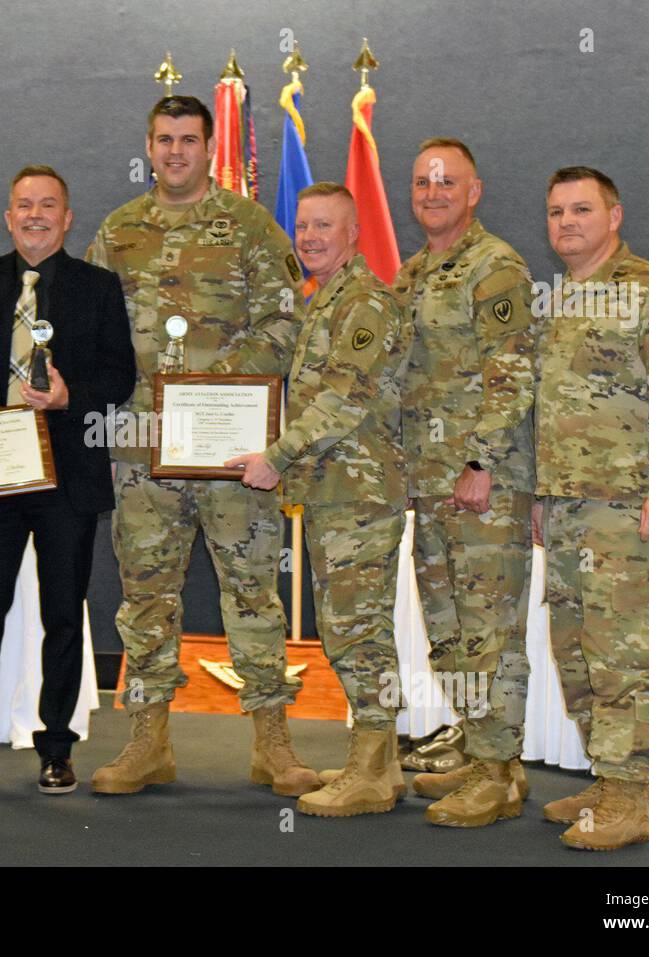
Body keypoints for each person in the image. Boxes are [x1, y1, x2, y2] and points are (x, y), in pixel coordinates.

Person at [86, 95, 315, 796]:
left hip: (228, 447)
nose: (175, 151)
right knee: (145, 594)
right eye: (164, 139)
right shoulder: (118, 232)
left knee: (251, 592)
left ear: (209, 145)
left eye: (189, 139)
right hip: (143, 450)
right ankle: (148, 739)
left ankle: (273, 741)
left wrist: (210, 385)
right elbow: (92, 333)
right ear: (149, 146)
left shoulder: (248, 226)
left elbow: (285, 322)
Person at [0, 165, 136, 797]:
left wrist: (69, 398)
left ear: (68, 219)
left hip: (66, 478)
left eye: (48, 206)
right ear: (7, 218)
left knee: (64, 614)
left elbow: (119, 376)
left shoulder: (97, 287)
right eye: (23, 206)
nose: (35, 215)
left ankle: (57, 746)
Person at [535, 166, 649, 850]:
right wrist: (541, 496)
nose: (567, 222)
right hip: (567, 510)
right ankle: (610, 777)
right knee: (578, 647)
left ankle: (630, 792)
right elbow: (549, 414)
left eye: (582, 209)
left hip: (626, 512)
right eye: (556, 212)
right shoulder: (560, 299)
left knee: (627, 650)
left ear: (614, 215)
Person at [227, 183, 411, 816]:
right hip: (335, 493)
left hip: (358, 496)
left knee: (359, 634)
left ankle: (372, 769)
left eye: (324, 226)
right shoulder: (325, 300)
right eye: (302, 226)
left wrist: (275, 458)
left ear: (354, 233)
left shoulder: (365, 303)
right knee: (350, 631)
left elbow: (342, 399)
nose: (308, 237)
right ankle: (376, 762)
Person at [391, 138, 536, 826]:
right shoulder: (414, 272)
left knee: (490, 634)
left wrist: (483, 461)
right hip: (428, 485)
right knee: (450, 634)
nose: (433, 192)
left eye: (447, 182)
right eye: (422, 182)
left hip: (481, 485)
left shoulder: (495, 266)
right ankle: (489, 764)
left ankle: (497, 769)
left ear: (473, 191)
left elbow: (513, 371)